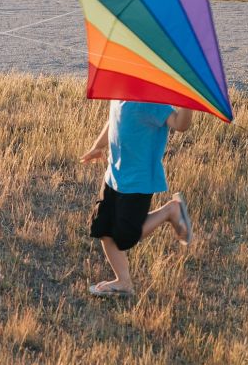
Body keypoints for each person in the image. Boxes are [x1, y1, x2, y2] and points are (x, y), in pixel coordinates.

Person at [80, 100, 195, 297]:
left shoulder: (153, 103)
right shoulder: (120, 94)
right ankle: (123, 281)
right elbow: (113, 120)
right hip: (113, 176)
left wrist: (188, 100)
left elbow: (180, 124)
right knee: (102, 227)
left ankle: (171, 211)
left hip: (137, 183)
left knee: (126, 235)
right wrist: (97, 146)